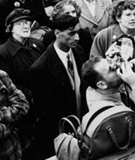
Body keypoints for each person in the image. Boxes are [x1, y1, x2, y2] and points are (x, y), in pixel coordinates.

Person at [28, 10, 87, 159]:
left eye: (78, 32)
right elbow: (47, 111)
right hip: (62, 135)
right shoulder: (40, 68)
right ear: (57, 33)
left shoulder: (78, 51)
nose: (77, 37)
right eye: (71, 33)